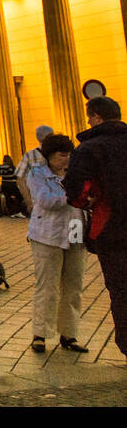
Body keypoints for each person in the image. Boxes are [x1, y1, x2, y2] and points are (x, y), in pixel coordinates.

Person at [65, 95, 127, 358]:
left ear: (97, 117)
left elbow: (75, 190)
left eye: (89, 117)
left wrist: (89, 199)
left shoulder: (89, 149)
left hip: (111, 228)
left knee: (121, 290)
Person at [25, 133, 86, 354]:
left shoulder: (76, 173)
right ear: (50, 156)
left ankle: (69, 334)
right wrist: (72, 196)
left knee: (73, 286)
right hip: (47, 235)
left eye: (69, 154)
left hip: (75, 232)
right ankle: (40, 334)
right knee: (47, 286)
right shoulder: (37, 174)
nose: (67, 159)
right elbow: (44, 200)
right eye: (62, 155)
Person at [16, 125, 54, 213]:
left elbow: (20, 180)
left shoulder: (29, 155)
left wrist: (29, 202)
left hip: (38, 202)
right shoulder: (63, 153)